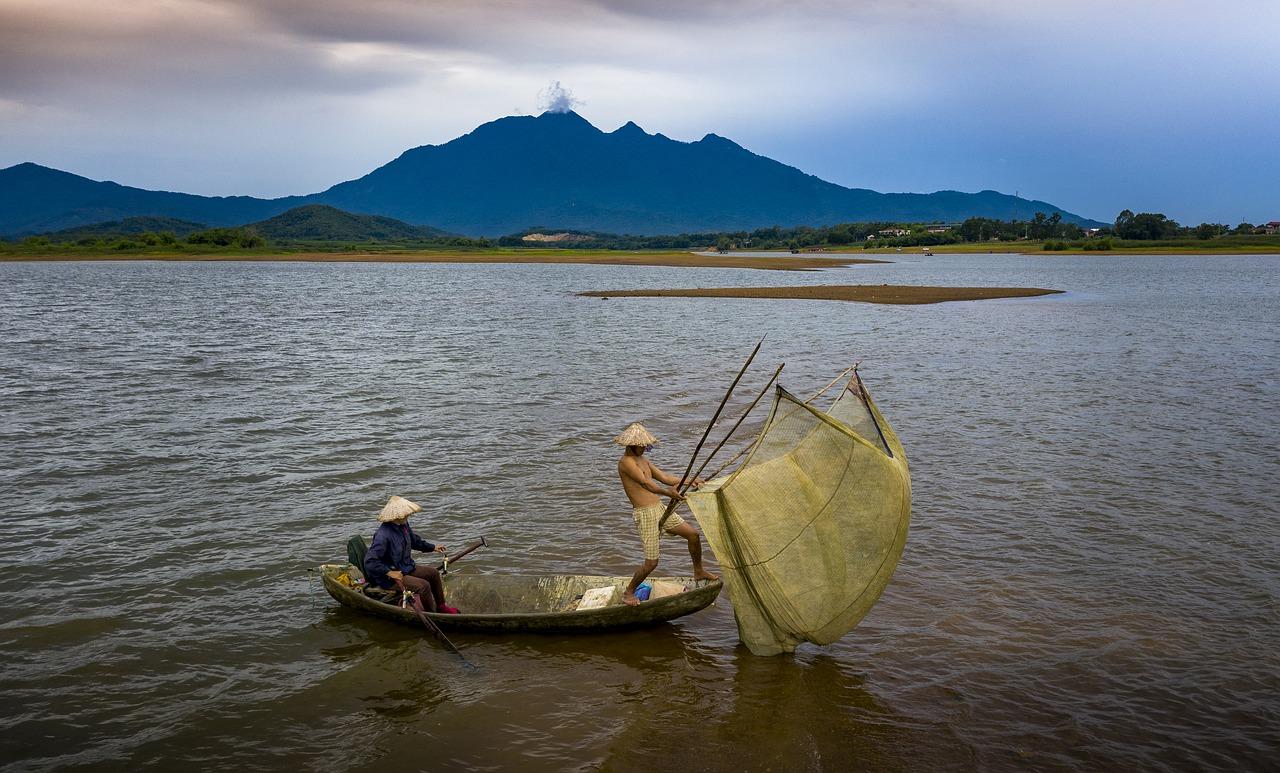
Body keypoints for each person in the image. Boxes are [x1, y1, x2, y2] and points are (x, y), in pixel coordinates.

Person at [615, 422, 718, 606]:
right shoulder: (626, 463)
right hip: (645, 514)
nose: (646, 448)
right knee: (651, 563)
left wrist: (689, 480)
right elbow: (646, 484)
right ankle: (628, 593)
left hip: (659, 508)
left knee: (693, 535)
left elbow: (664, 478)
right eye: (642, 446)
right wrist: (668, 492)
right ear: (632, 445)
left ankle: (699, 571)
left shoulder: (644, 460)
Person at [363, 495, 460, 614]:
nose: (408, 515)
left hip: (405, 567)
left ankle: (441, 607)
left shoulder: (403, 525)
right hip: (389, 577)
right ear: (395, 516)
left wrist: (432, 547)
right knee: (423, 586)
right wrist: (389, 572)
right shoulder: (383, 536)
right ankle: (433, 614)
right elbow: (370, 561)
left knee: (433, 573)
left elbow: (414, 540)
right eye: (405, 514)